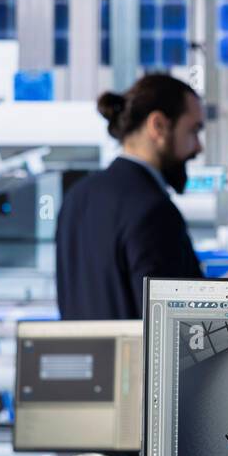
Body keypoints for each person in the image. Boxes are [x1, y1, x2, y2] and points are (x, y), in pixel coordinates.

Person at [56, 74, 205, 320]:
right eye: (194, 130)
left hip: (88, 358)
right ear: (158, 125)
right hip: (135, 359)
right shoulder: (154, 210)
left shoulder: (77, 197)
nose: (198, 147)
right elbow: (176, 330)